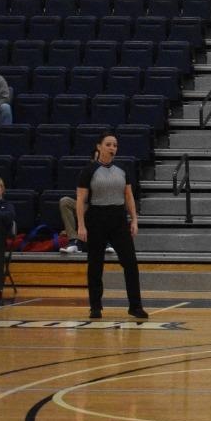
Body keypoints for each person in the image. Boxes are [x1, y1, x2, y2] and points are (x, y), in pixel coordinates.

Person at [76, 132, 147, 321]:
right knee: (95, 265)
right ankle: (95, 307)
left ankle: (135, 306)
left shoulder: (122, 169)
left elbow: (129, 196)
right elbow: (81, 199)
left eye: (115, 145)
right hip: (96, 218)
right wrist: (81, 225)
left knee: (130, 262)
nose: (112, 148)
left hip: (118, 219)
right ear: (99, 147)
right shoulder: (89, 170)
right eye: (108, 144)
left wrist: (134, 220)